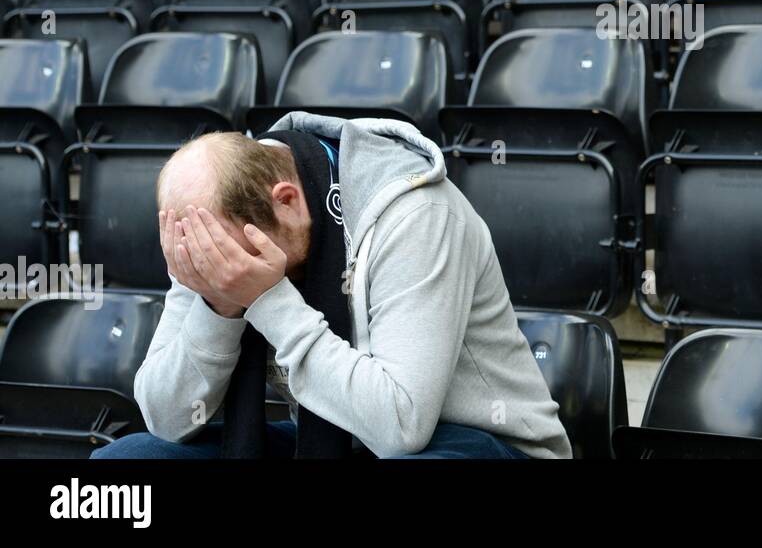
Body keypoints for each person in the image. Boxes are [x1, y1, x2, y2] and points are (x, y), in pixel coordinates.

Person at [91, 112, 572, 460]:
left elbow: (400, 427)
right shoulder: (212, 224)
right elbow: (168, 419)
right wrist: (217, 305)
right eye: (206, 263)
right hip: (335, 437)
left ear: (286, 201)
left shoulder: (416, 215)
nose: (221, 270)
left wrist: (266, 300)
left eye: (231, 261)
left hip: (478, 443)